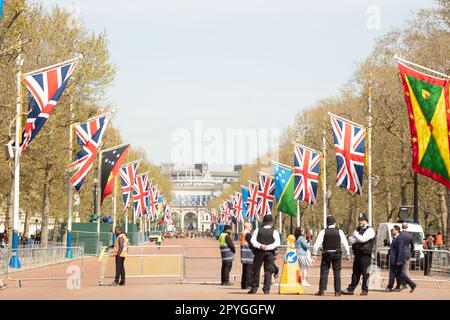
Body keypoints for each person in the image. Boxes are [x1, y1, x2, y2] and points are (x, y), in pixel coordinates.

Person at [312, 215, 350, 296]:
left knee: (324, 272)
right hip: (337, 254)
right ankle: (337, 292)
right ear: (334, 223)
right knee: (337, 273)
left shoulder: (323, 231)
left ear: (327, 223)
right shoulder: (339, 231)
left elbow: (316, 245)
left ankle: (321, 291)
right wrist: (348, 254)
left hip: (326, 254)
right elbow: (345, 243)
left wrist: (314, 254)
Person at [342, 212, 375, 296]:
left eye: (362, 220)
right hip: (358, 255)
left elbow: (363, 239)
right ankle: (351, 289)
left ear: (366, 220)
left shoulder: (370, 230)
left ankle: (365, 290)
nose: (360, 222)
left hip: (365, 255)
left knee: (365, 273)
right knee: (355, 273)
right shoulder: (358, 229)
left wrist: (356, 236)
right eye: (359, 220)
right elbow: (351, 239)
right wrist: (356, 238)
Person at [248, 215, 281, 295]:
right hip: (270, 253)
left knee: (256, 270)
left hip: (259, 252)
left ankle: (254, 288)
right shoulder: (274, 231)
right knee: (268, 271)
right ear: (271, 222)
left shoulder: (258, 230)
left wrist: (260, 245)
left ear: (264, 221)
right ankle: (266, 290)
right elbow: (277, 243)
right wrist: (268, 247)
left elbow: (252, 240)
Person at [384, 226, 417, 292]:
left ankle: (389, 287)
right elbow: (395, 249)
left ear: (397, 230)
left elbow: (400, 250)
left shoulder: (400, 238)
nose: (391, 231)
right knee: (400, 274)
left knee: (392, 274)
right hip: (395, 259)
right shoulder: (395, 238)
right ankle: (411, 284)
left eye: (392, 230)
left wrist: (399, 260)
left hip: (397, 260)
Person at [395, 222, 414, 290]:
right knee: (406, 269)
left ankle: (403, 284)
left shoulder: (399, 234)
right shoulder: (410, 235)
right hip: (407, 254)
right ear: (407, 227)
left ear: (402, 227)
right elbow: (413, 246)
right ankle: (407, 283)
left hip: (400, 254)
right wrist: (410, 252)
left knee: (400, 270)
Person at [240, 222, 255, 289]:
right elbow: (252, 244)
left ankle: (243, 285)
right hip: (249, 254)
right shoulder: (247, 234)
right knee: (249, 270)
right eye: (250, 227)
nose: (251, 228)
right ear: (248, 227)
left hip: (244, 253)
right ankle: (249, 284)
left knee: (244, 270)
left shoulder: (242, 233)